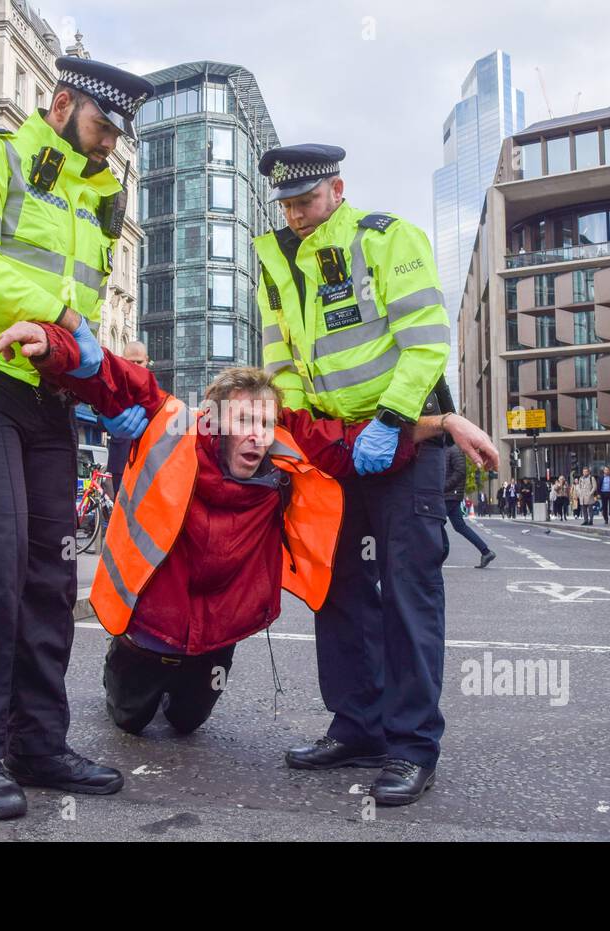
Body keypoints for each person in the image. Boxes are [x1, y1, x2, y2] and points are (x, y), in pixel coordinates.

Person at [2, 322, 493, 738]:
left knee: (187, 724)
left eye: (265, 422)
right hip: (149, 634)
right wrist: (53, 342)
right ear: (214, 422)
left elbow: (355, 441)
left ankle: (190, 682)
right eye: (243, 421)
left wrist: (446, 422)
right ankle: (122, 668)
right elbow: (116, 377)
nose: (257, 435)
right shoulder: (175, 432)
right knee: (131, 721)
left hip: (215, 640)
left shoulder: (284, 456)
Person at [0, 57, 153, 820]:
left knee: (49, 576)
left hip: (46, 393)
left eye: (118, 135)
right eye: (100, 126)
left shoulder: (98, 198)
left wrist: (97, 375)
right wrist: (71, 323)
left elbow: (80, 300)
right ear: (58, 102)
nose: (109, 144)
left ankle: (38, 741)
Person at [254, 143, 455, 806]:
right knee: (336, 592)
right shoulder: (278, 260)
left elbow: (425, 334)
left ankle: (411, 745)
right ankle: (359, 724)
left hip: (400, 444)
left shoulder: (386, 239)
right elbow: (280, 359)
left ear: (337, 188)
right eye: (286, 204)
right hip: (334, 455)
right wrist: (301, 435)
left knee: (407, 595)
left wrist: (393, 417)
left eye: (306, 201)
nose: (296, 215)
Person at [105, 340, 149, 499]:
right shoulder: (112, 386)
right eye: (132, 362)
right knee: (121, 510)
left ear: (147, 361)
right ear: (123, 360)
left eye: (140, 362)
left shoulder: (155, 390)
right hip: (121, 461)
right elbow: (99, 418)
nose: (136, 365)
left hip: (147, 462)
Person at [444, 442, 495, 567]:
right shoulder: (447, 447)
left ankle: (438, 556)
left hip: (450, 495)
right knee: (460, 526)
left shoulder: (455, 448)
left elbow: (460, 472)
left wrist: (444, 487)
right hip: (450, 495)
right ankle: (486, 552)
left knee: (434, 524)